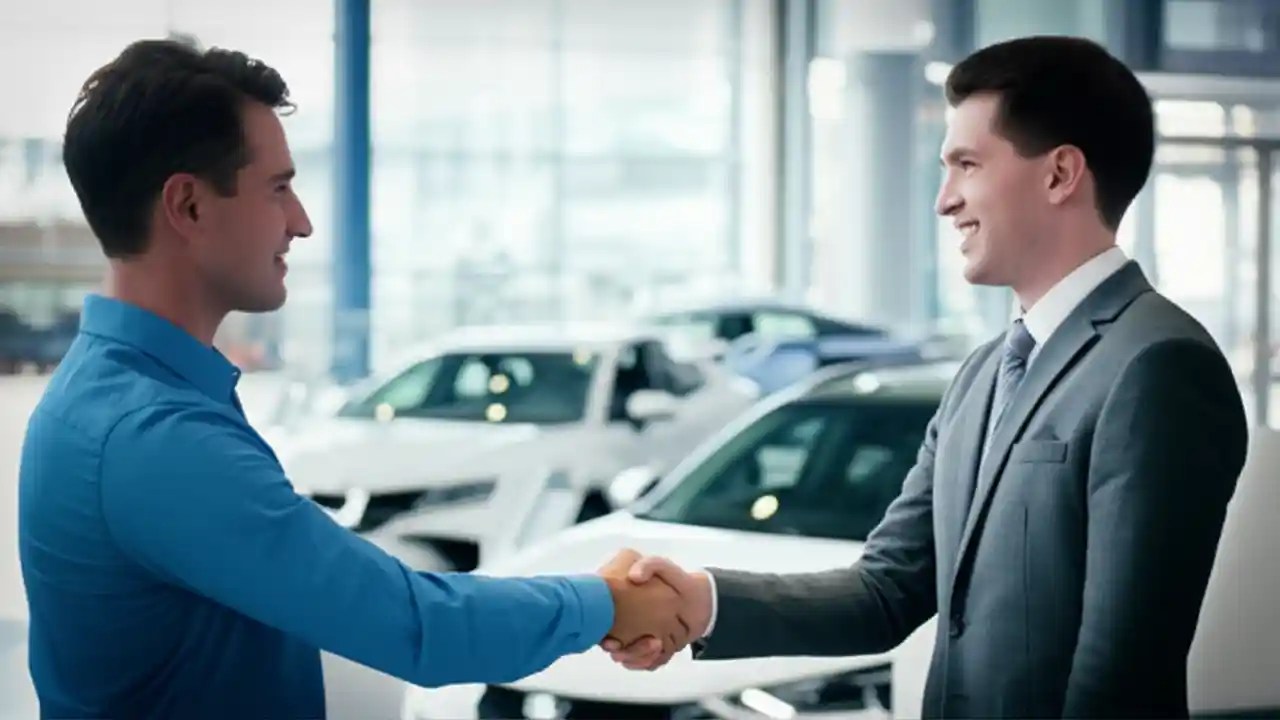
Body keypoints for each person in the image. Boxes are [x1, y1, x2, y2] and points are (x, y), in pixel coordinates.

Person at [17, 39, 693, 719]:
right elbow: (419, 627)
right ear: (189, 207)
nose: (302, 222)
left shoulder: (104, 398)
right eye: (278, 188)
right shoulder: (154, 437)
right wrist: (606, 602)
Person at [602, 35, 1250, 719]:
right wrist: (699, 601)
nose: (945, 201)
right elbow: (886, 591)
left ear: (1060, 174)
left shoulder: (1157, 364)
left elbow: (1122, 674)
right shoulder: (982, 374)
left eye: (966, 164)